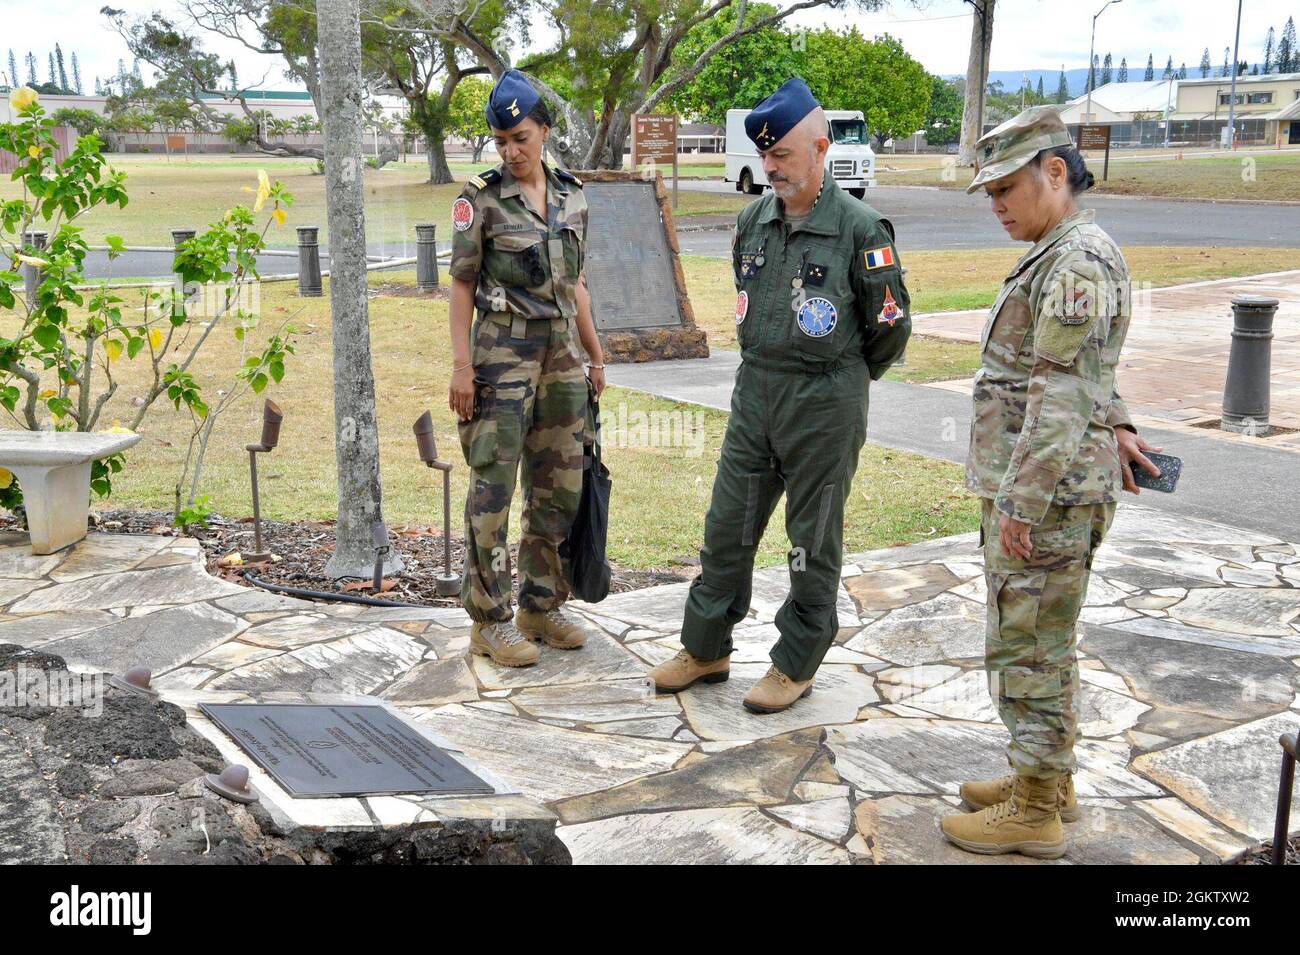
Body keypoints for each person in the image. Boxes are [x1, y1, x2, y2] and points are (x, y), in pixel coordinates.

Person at [648, 77, 911, 714]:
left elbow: (890, 328)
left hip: (824, 402)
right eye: (763, 155)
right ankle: (706, 647)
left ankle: (796, 662)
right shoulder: (753, 220)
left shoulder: (859, 229)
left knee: (809, 540)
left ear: (820, 149)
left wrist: (841, 381)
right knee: (727, 528)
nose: (769, 167)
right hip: (755, 394)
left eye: (783, 154)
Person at [940, 106, 1162, 858]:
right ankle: (1045, 777)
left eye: (1005, 188)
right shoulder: (1069, 251)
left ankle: (1034, 809)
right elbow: (1090, 368)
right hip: (1056, 485)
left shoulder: (1074, 261)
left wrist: (1022, 501)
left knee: (1026, 645)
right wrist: (1123, 420)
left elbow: (1062, 391)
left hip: (1049, 495)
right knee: (1044, 640)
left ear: (1055, 172)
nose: (997, 206)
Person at [447, 69, 606, 668]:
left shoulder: (573, 194)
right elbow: (461, 285)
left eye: (520, 137)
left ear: (544, 130)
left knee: (559, 486)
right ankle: (488, 620)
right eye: (500, 140)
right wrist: (462, 367)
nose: (511, 151)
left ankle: (541, 605)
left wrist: (596, 357)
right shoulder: (478, 200)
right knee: (492, 487)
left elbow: (577, 285)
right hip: (501, 356)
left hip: (563, 356)